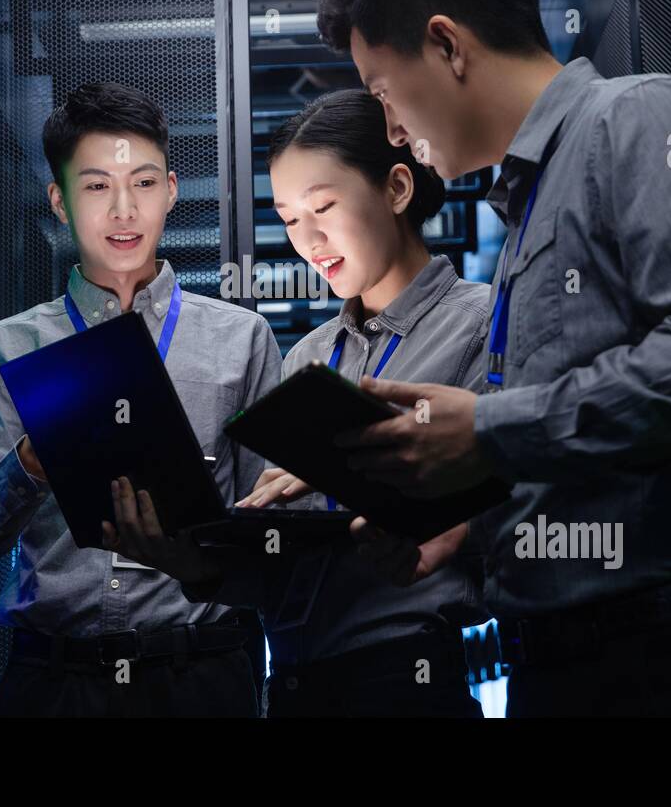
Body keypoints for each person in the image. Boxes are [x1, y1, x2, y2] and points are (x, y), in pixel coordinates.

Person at [310, 0, 671, 716]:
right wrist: (473, 522)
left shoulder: (642, 119)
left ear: (449, 45)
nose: (389, 129)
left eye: (383, 91)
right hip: (581, 666)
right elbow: (602, 452)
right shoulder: (529, 205)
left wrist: (489, 432)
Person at [105, 89, 489, 717]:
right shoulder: (309, 356)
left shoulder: (480, 324)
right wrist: (194, 565)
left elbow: (516, 514)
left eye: (324, 206)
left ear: (397, 188)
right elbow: (286, 562)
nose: (306, 241)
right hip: (291, 690)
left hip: (405, 683)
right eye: (287, 218)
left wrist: (360, 470)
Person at [0, 81, 281, 717]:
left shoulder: (242, 340)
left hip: (200, 678)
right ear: (60, 202)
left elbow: (275, 547)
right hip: (54, 685)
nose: (124, 210)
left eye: (144, 184)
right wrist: (30, 465)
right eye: (96, 186)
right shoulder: (10, 349)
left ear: (171, 191)